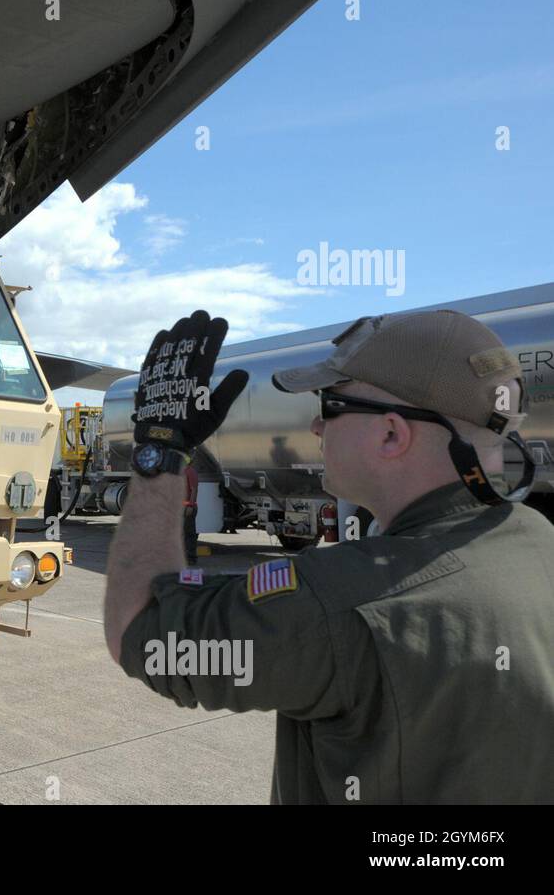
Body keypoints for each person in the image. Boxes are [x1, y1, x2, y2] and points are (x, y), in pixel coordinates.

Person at [103, 309, 554, 804]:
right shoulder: (537, 540)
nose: (317, 425)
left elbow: (139, 632)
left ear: (390, 434)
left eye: (331, 404)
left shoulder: (341, 599)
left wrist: (160, 453)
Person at [182, 461, 199, 565]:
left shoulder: (190, 472)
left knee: (189, 533)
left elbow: (194, 489)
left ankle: (191, 558)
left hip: (187, 507)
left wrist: (190, 505)